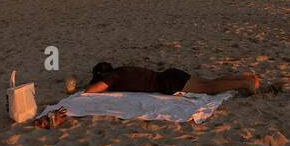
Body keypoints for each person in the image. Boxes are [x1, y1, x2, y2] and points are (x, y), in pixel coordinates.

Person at [84, 61, 258, 96]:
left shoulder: (113, 77)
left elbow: (90, 91)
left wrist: (93, 84)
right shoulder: (121, 69)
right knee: (209, 82)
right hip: (170, 74)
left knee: (209, 88)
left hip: (168, 83)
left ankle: (244, 83)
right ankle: (244, 78)